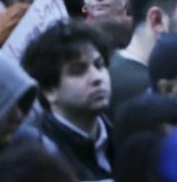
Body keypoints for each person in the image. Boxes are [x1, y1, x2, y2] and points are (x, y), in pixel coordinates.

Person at [22, 21, 114, 180]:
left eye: (99, 65)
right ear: (49, 90)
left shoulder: (127, 133)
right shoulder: (37, 155)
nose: (97, 78)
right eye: (78, 71)